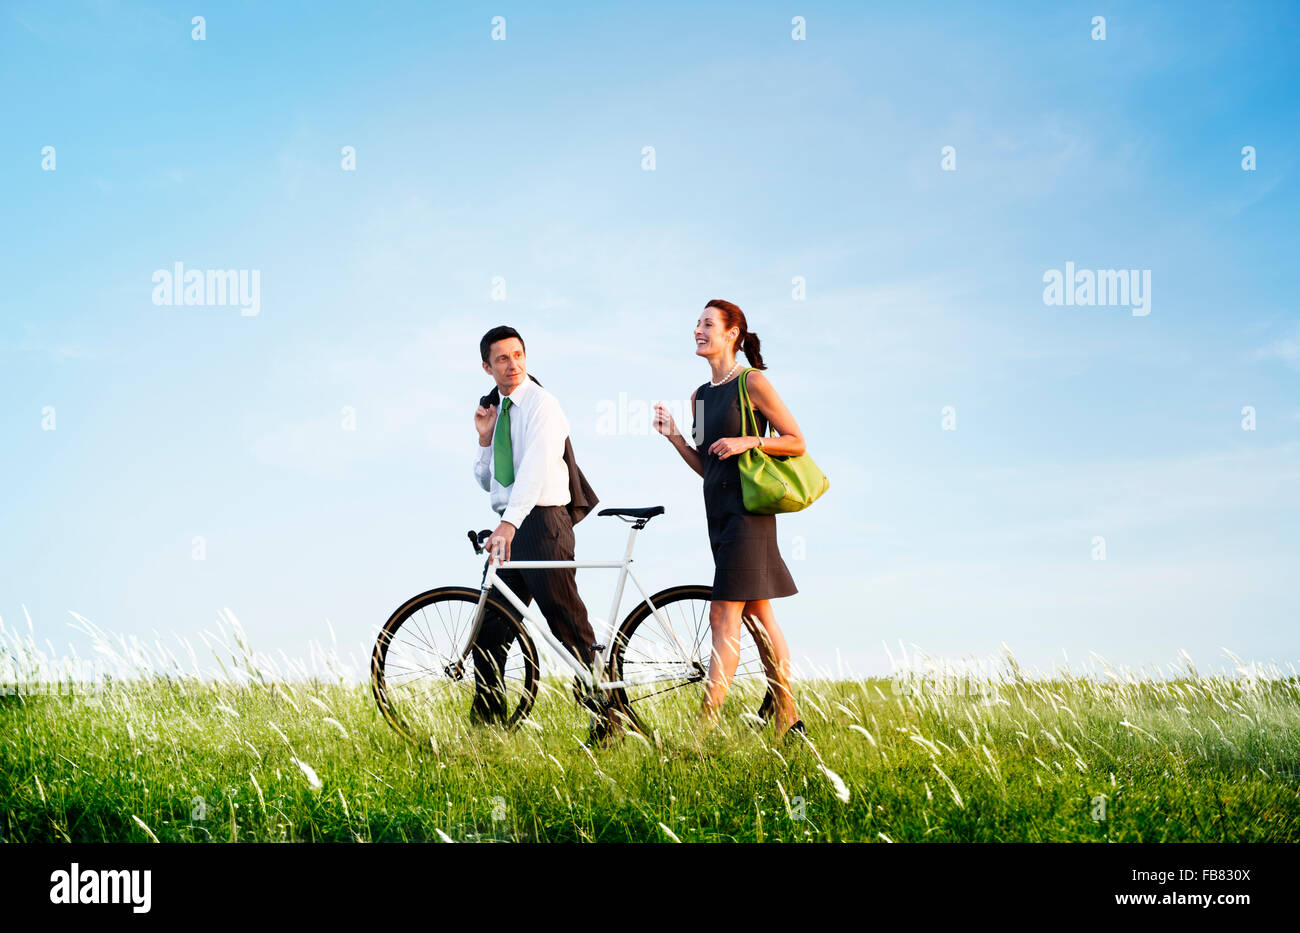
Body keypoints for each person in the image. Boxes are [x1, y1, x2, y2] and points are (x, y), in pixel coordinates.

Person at [652, 300, 807, 741]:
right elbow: (707, 466)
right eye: (696, 323)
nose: (697, 330)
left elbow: (796, 442)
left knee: (723, 615)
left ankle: (703, 730)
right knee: (759, 617)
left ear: (732, 332)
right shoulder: (700, 396)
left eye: (707, 324)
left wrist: (748, 441)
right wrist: (676, 438)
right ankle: (789, 718)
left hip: (748, 514)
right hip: (717, 516)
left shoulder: (752, 382)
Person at [471, 325, 604, 731]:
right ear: (486, 367)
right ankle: (488, 729)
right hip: (511, 525)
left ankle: (611, 715)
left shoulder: (543, 404)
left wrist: (510, 523)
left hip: (543, 524)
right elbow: (488, 479)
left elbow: (536, 468)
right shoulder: (500, 410)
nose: (512, 364)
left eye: (518, 355)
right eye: (502, 359)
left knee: (567, 625)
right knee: (488, 631)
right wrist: (484, 439)